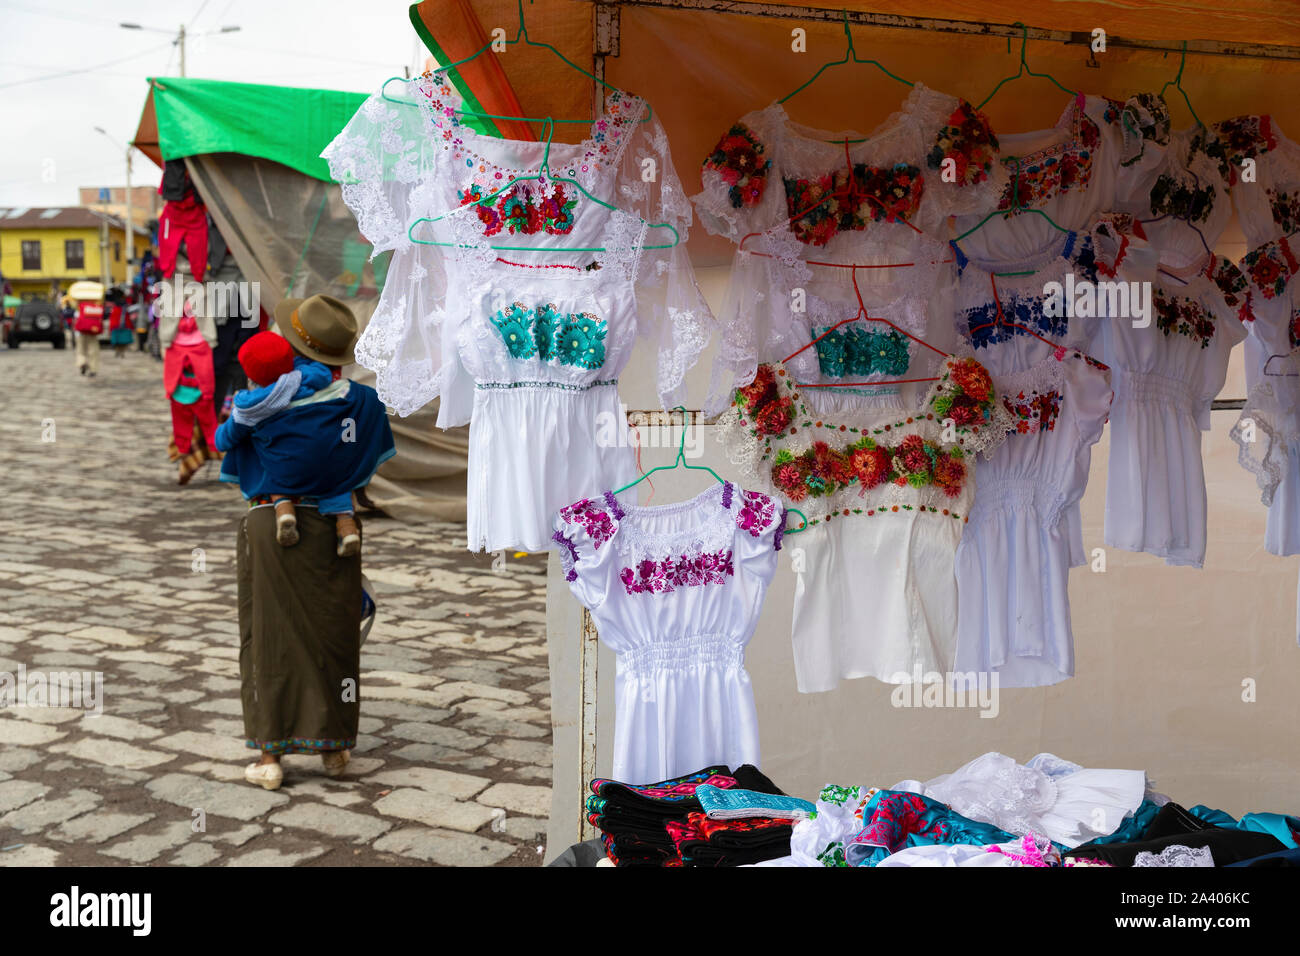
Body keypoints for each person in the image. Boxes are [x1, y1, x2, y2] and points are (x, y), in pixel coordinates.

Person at [229, 294, 395, 791]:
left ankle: (270, 754)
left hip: (270, 523)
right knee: (334, 637)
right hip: (336, 524)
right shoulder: (363, 402)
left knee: (265, 638)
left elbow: (234, 453)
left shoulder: (262, 399)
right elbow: (365, 466)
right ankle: (335, 750)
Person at [215, 330, 363, 555]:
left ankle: (284, 510)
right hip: (326, 462)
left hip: (285, 469)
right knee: (336, 473)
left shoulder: (251, 406)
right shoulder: (310, 380)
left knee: (271, 454)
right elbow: (319, 372)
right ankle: (346, 526)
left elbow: (222, 441)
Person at [161, 298, 220, 484]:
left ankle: (203, 446)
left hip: (197, 344)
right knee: (195, 417)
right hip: (183, 345)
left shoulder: (202, 299)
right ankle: (193, 446)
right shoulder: (173, 300)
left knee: (205, 416)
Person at [72, 299, 104, 377]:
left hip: (81, 332)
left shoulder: (80, 307)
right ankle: (93, 369)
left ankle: (82, 363)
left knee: (81, 350)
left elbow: (75, 319)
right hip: (93, 332)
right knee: (93, 351)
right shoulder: (97, 306)